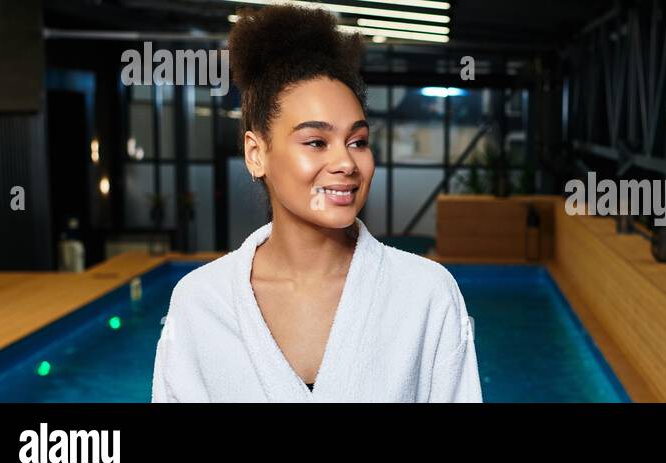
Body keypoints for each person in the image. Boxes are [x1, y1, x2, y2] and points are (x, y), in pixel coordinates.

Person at [151, 5, 481, 402]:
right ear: (256, 154)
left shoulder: (427, 294)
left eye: (358, 141)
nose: (346, 163)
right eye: (316, 142)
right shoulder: (200, 303)